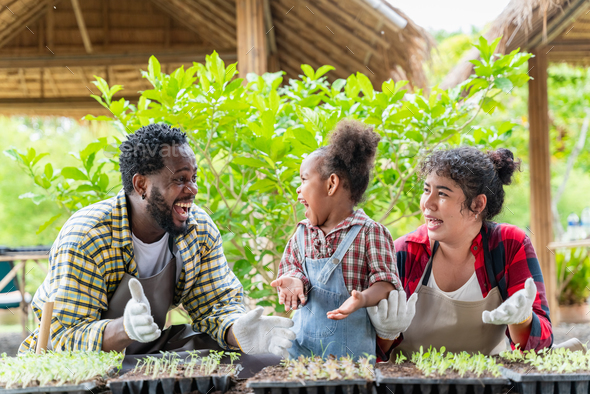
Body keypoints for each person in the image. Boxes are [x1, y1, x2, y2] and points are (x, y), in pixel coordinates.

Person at [20, 124, 295, 376]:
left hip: (148, 351)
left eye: (194, 178)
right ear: (142, 185)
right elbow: (63, 337)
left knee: (258, 363)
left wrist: (239, 331)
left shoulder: (198, 229)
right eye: (180, 180)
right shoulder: (88, 235)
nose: (193, 190)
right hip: (84, 362)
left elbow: (215, 306)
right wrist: (123, 329)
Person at [367, 146, 557, 359]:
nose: (427, 204)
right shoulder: (403, 252)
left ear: (477, 204)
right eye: (426, 190)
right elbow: (363, 354)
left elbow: (541, 346)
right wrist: (385, 333)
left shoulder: (508, 245)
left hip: (486, 384)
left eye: (442, 194)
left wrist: (523, 319)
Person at [271, 120, 403, 360]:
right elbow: (292, 268)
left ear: (331, 184)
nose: (298, 190)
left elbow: (387, 284)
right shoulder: (301, 234)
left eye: (303, 179)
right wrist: (293, 281)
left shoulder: (370, 233)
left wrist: (363, 298)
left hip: (351, 359)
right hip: (300, 354)